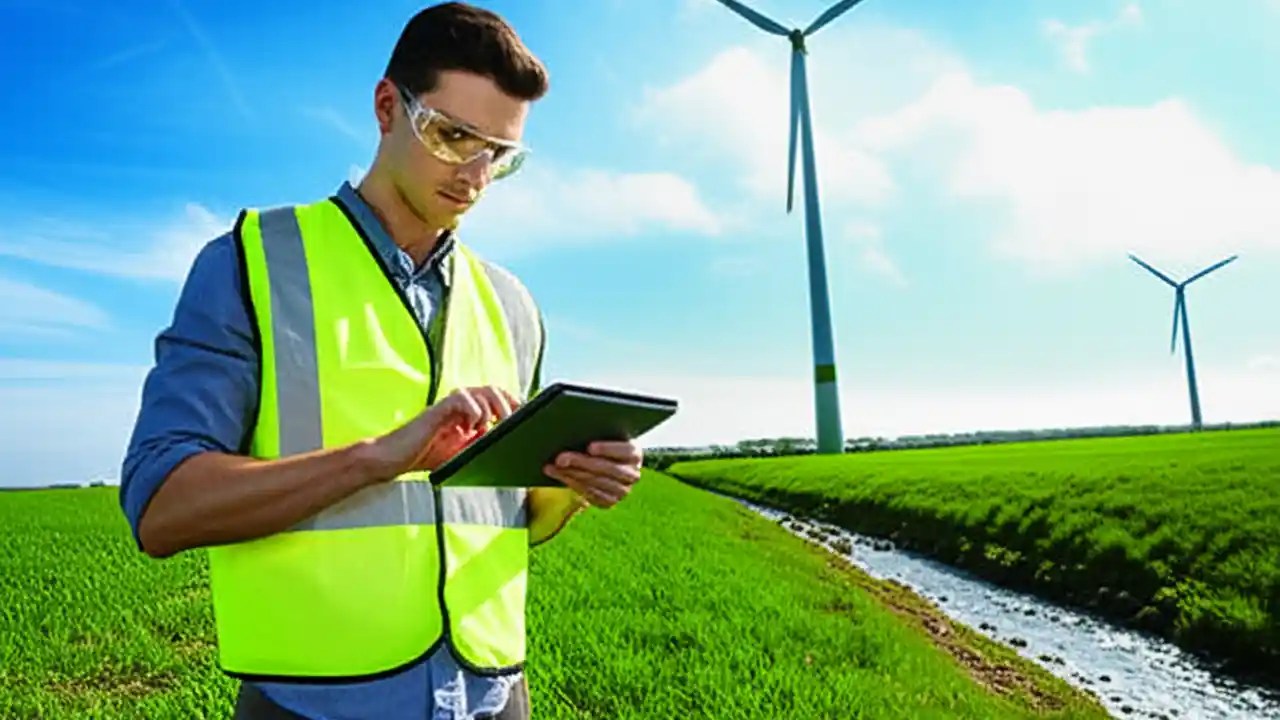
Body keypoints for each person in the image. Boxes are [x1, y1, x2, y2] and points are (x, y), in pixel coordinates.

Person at [118, 3, 645, 718]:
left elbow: (511, 516)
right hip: (313, 702)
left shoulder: (514, 306)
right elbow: (161, 506)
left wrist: (573, 484)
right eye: (455, 136)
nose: (476, 176)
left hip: (495, 696)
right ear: (387, 106)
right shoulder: (253, 262)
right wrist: (377, 457)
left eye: (501, 154)